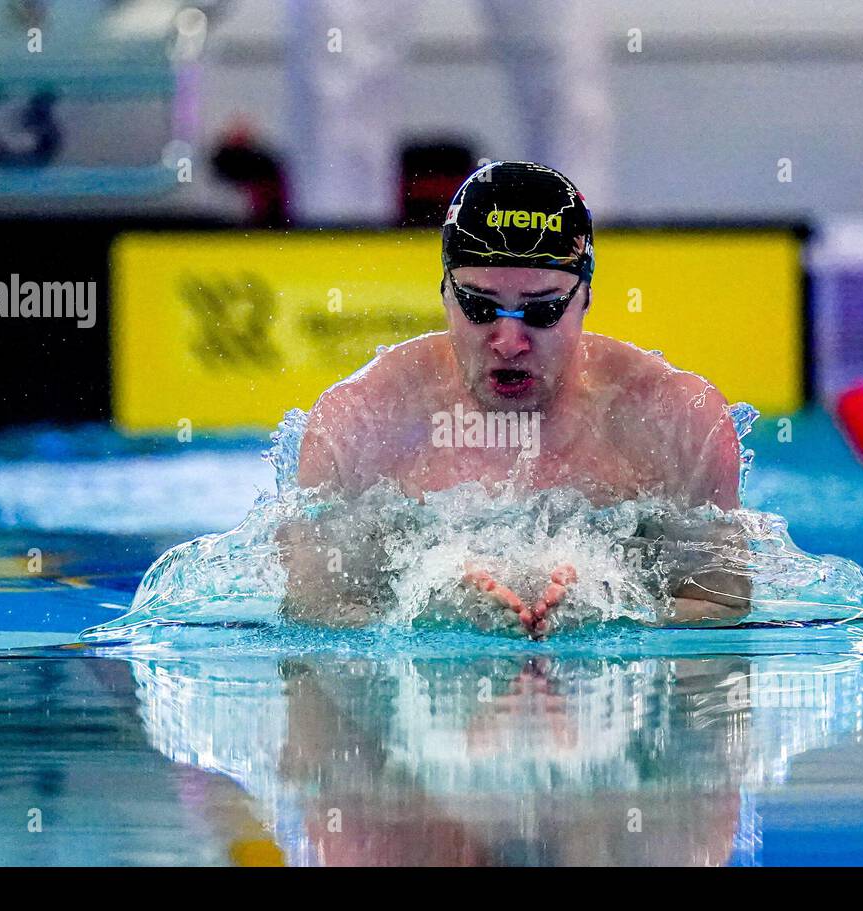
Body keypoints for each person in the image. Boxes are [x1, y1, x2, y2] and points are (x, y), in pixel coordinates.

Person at [284, 161, 750, 637]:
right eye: (479, 306)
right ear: (445, 293)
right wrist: (430, 618)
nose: (509, 340)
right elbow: (312, 620)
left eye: (542, 310)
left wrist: (610, 612)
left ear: (586, 297)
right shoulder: (358, 426)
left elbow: (720, 613)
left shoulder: (678, 422)